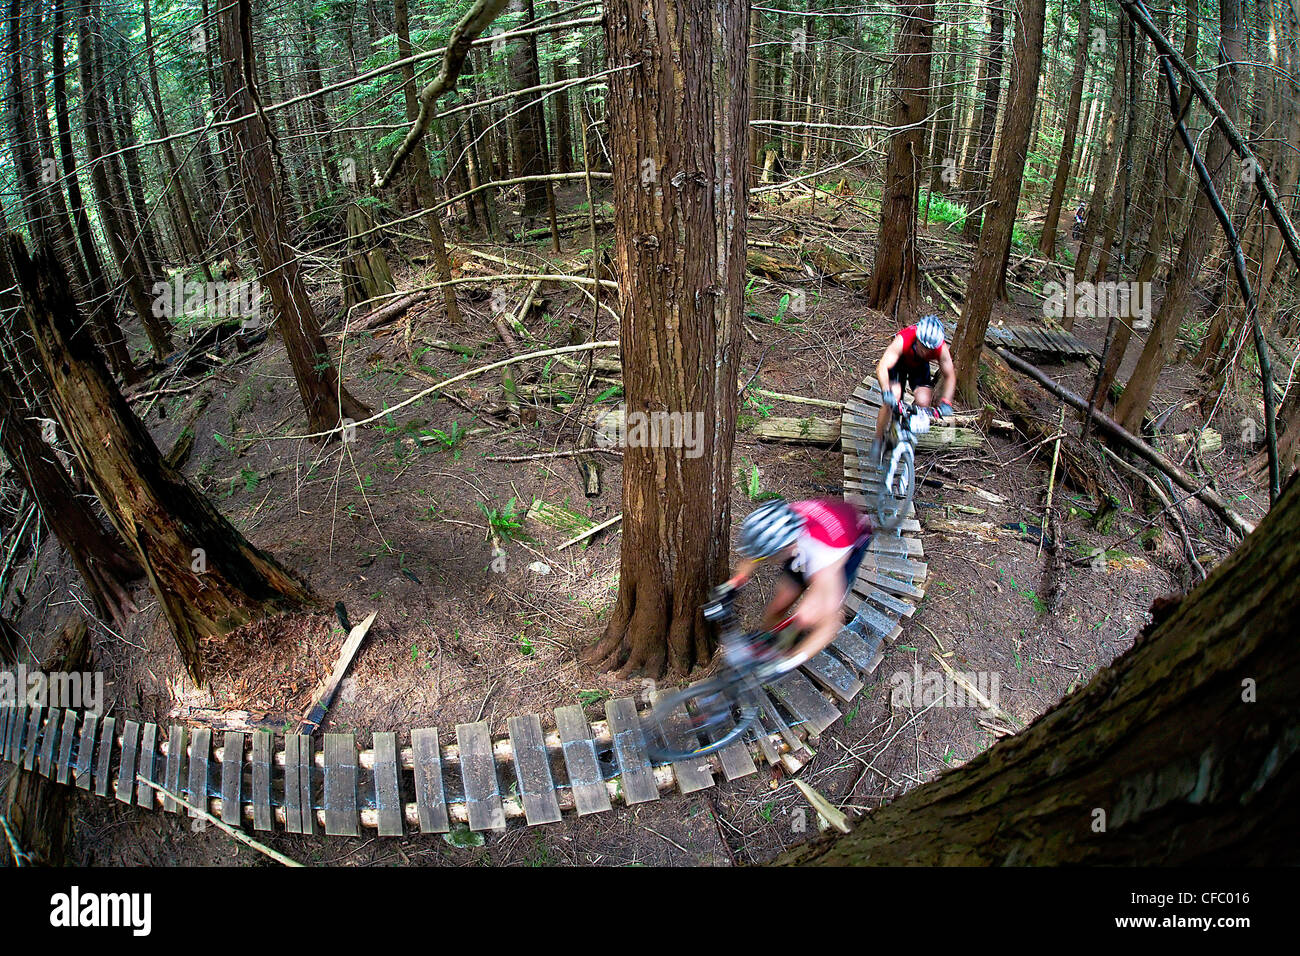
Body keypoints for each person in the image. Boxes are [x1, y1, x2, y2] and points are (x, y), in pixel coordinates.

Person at [703, 497, 873, 675]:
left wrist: (787, 663)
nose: (768, 560)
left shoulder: (824, 558)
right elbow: (753, 556)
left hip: (843, 546)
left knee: (809, 615)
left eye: (771, 556)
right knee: (779, 603)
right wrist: (731, 586)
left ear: (788, 546)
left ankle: (789, 655)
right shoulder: (778, 524)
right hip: (808, 538)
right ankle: (769, 642)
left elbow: (831, 624)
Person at [870, 314, 956, 465]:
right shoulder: (904, 338)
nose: (926, 351)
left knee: (923, 401)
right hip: (899, 363)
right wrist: (886, 391)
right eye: (923, 346)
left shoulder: (940, 348)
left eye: (930, 349)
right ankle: (878, 439)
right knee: (893, 397)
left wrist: (946, 402)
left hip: (920, 366)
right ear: (917, 338)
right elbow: (882, 366)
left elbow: (950, 375)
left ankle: (907, 425)